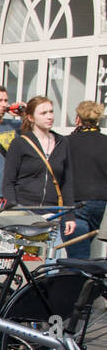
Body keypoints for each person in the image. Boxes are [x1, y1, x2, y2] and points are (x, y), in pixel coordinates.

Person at [3, 95, 72, 211]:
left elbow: (67, 181)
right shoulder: (20, 143)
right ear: (31, 118)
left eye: (51, 112)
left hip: (53, 211)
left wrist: (69, 214)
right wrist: (13, 206)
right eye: (43, 113)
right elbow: (8, 181)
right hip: (24, 210)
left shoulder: (62, 142)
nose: (49, 117)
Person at [62, 101, 107, 260]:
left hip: (75, 204)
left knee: (77, 257)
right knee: (86, 253)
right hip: (100, 205)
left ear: (77, 119)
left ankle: (76, 283)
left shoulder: (66, 142)